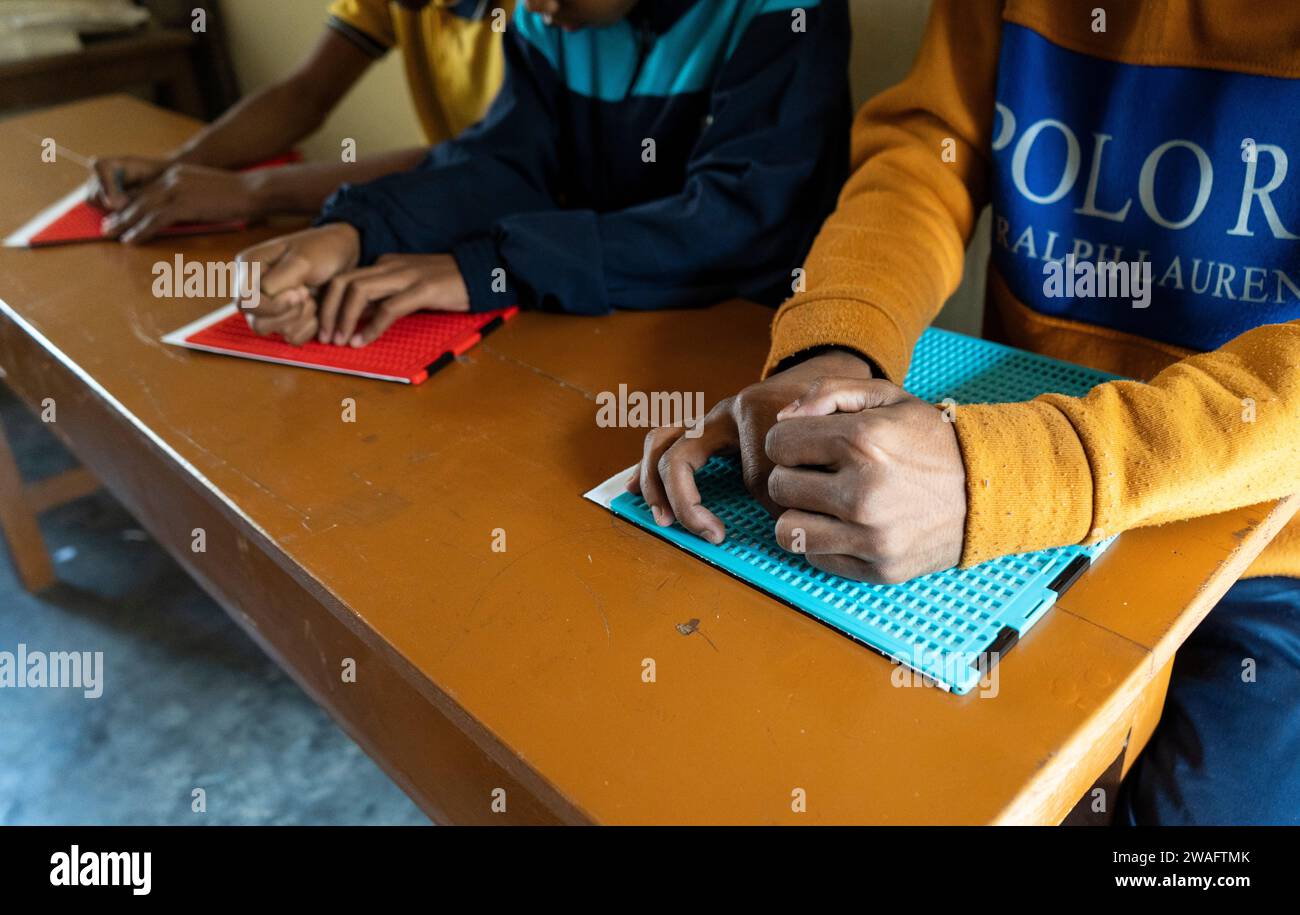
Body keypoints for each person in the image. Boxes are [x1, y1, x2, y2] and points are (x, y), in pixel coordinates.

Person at [633, 0, 1300, 825]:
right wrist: (833, 349)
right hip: (982, 498)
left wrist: (1012, 473)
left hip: (1266, 555)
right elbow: (925, 159)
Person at [234, 0, 851, 347]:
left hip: (742, 341)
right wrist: (355, 233)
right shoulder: (553, 15)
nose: (527, 3)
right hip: (589, 318)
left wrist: (495, 266)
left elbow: (736, 223)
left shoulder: (783, 12)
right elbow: (501, 163)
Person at [87, 0, 514, 243]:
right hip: (458, 212)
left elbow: (484, 160)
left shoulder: (545, 12)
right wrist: (181, 163)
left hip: (527, 223)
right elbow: (305, 95)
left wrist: (255, 191)